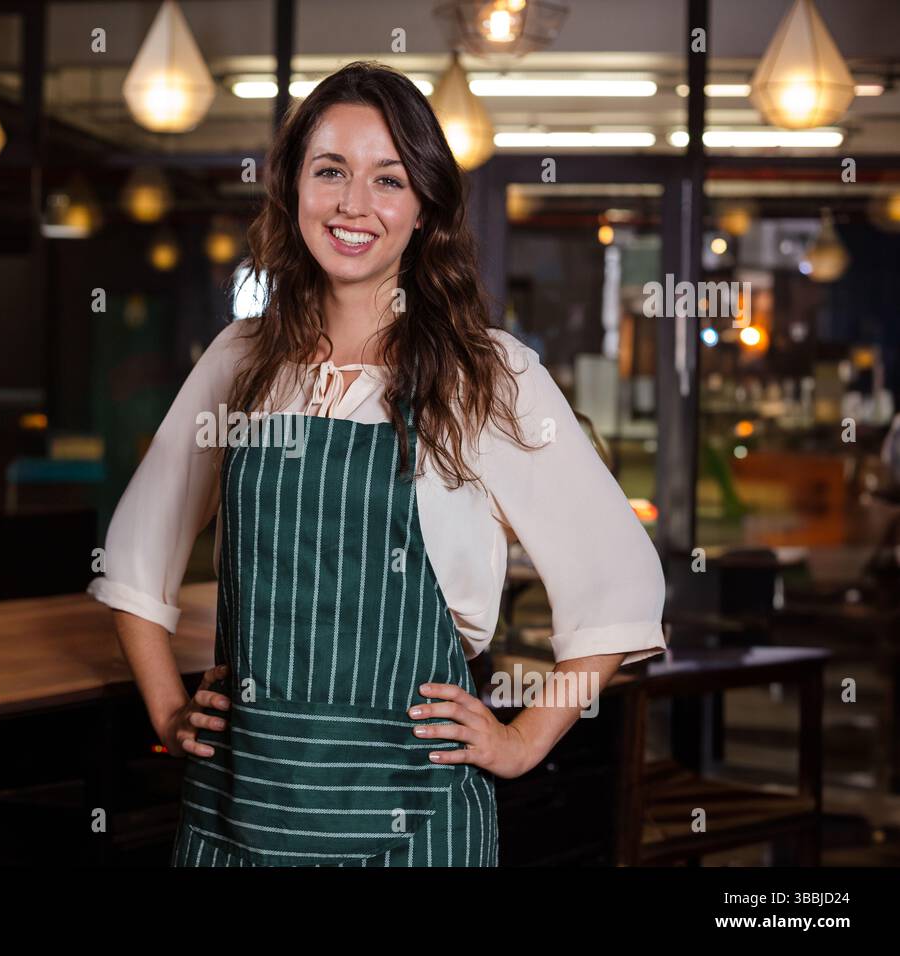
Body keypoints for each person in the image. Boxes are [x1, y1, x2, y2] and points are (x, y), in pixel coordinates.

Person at [88, 60, 666, 867]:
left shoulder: (484, 373)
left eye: (388, 179)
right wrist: (166, 710)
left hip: (416, 819)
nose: (354, 204)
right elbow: (134, 557)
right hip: (238, 809)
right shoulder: (242, 360)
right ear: (293, 189)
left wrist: (525, 739)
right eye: (331, 171)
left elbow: (622, 580)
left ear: (425, 207)